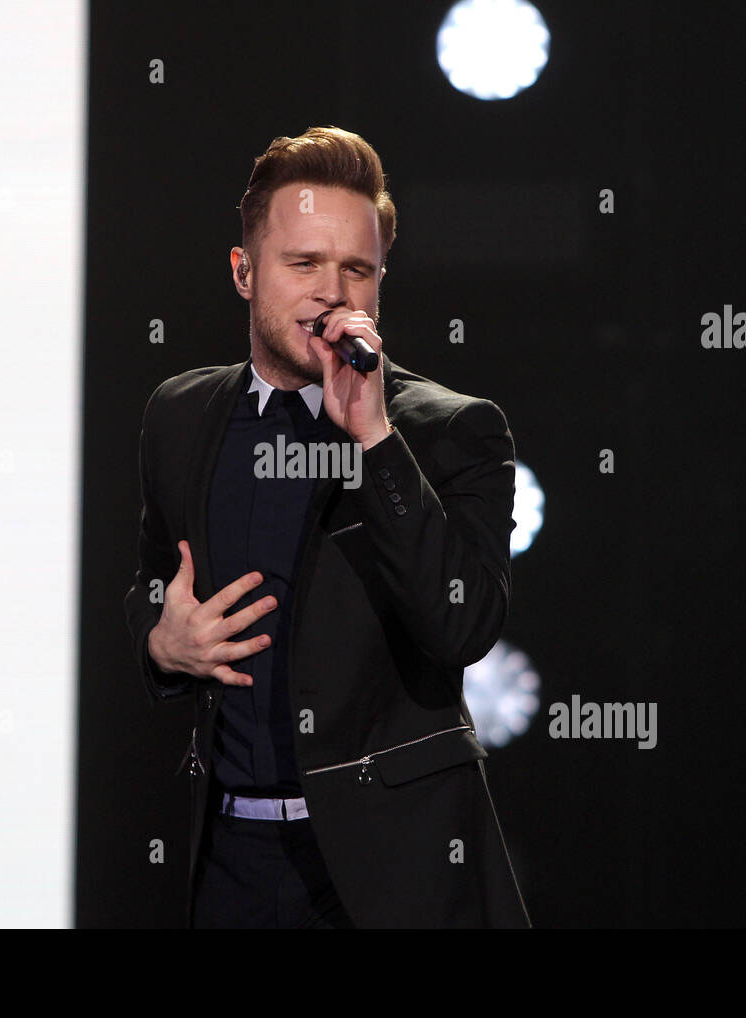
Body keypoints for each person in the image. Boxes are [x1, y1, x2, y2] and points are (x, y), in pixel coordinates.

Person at [124, 125, 531, 928]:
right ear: (244, 271)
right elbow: (149, 582)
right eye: (304, 263)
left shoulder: (451, 430)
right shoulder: (179, 415)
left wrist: (375, 441)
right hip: (230, 863)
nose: (332, 291)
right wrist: (159, 643)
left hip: (390, 878)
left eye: (357, 269)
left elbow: (464, 624)